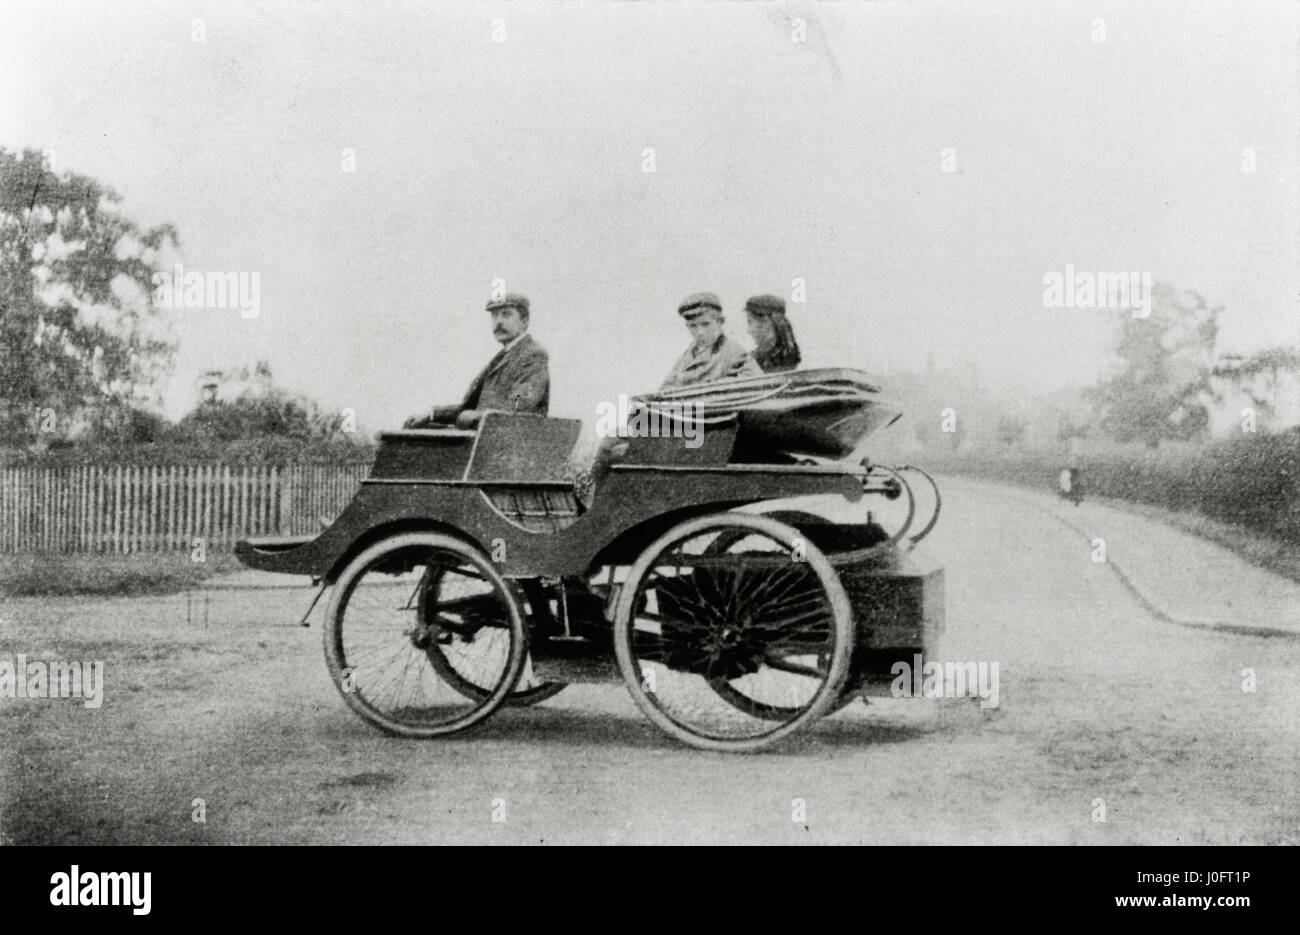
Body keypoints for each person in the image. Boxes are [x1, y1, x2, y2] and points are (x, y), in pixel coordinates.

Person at [405, 293, 550, 429]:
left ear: (524, 321)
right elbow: (468, 406)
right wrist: (431, 414)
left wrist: (477, 417)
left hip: (514, 444)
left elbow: (518, 406)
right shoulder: (502, 357)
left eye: (506, 314)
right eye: (494, 316)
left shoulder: (534, 355)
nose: (498, 321)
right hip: (487, 438)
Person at [661, 292, 763, 388]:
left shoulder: (734, 352)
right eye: (693, 326)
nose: (700, 332)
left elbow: (757, 386)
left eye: (705, 324)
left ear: (720, 322)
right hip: (690, 407)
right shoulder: (687, 357)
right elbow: (666, 389)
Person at [743, 293, 802, 373]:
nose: (749, 331)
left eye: (750, 322)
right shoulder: (751, 358)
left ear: (767, 322)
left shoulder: (790, 358)